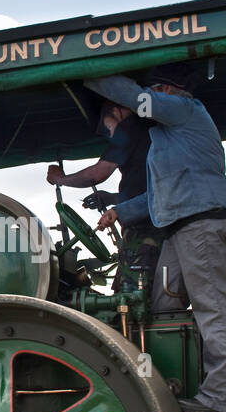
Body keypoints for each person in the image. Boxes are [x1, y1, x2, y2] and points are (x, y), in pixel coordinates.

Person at [90, 64, 226, 412]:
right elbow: (159, 195)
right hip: (181, 226)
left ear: (169, 92)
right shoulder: (168, 140)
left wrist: (88, 74)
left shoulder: (187, 109)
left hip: (200, 222)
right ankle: (170, 390)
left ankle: (222, 399)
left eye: (157, 90)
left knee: (212, 307)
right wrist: (120, 212)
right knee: (160, 306)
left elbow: (136, 99)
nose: (154, 98)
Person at [46, 101, 162, 292]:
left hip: (145, 229)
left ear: (117, 111)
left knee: (131, 295)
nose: (110, 134)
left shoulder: (131, 126)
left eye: (107, 127)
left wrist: (60, 179)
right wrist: (111, 199)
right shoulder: (151, 133)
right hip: (156, 221)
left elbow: (97, 174)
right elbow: (147, 191)